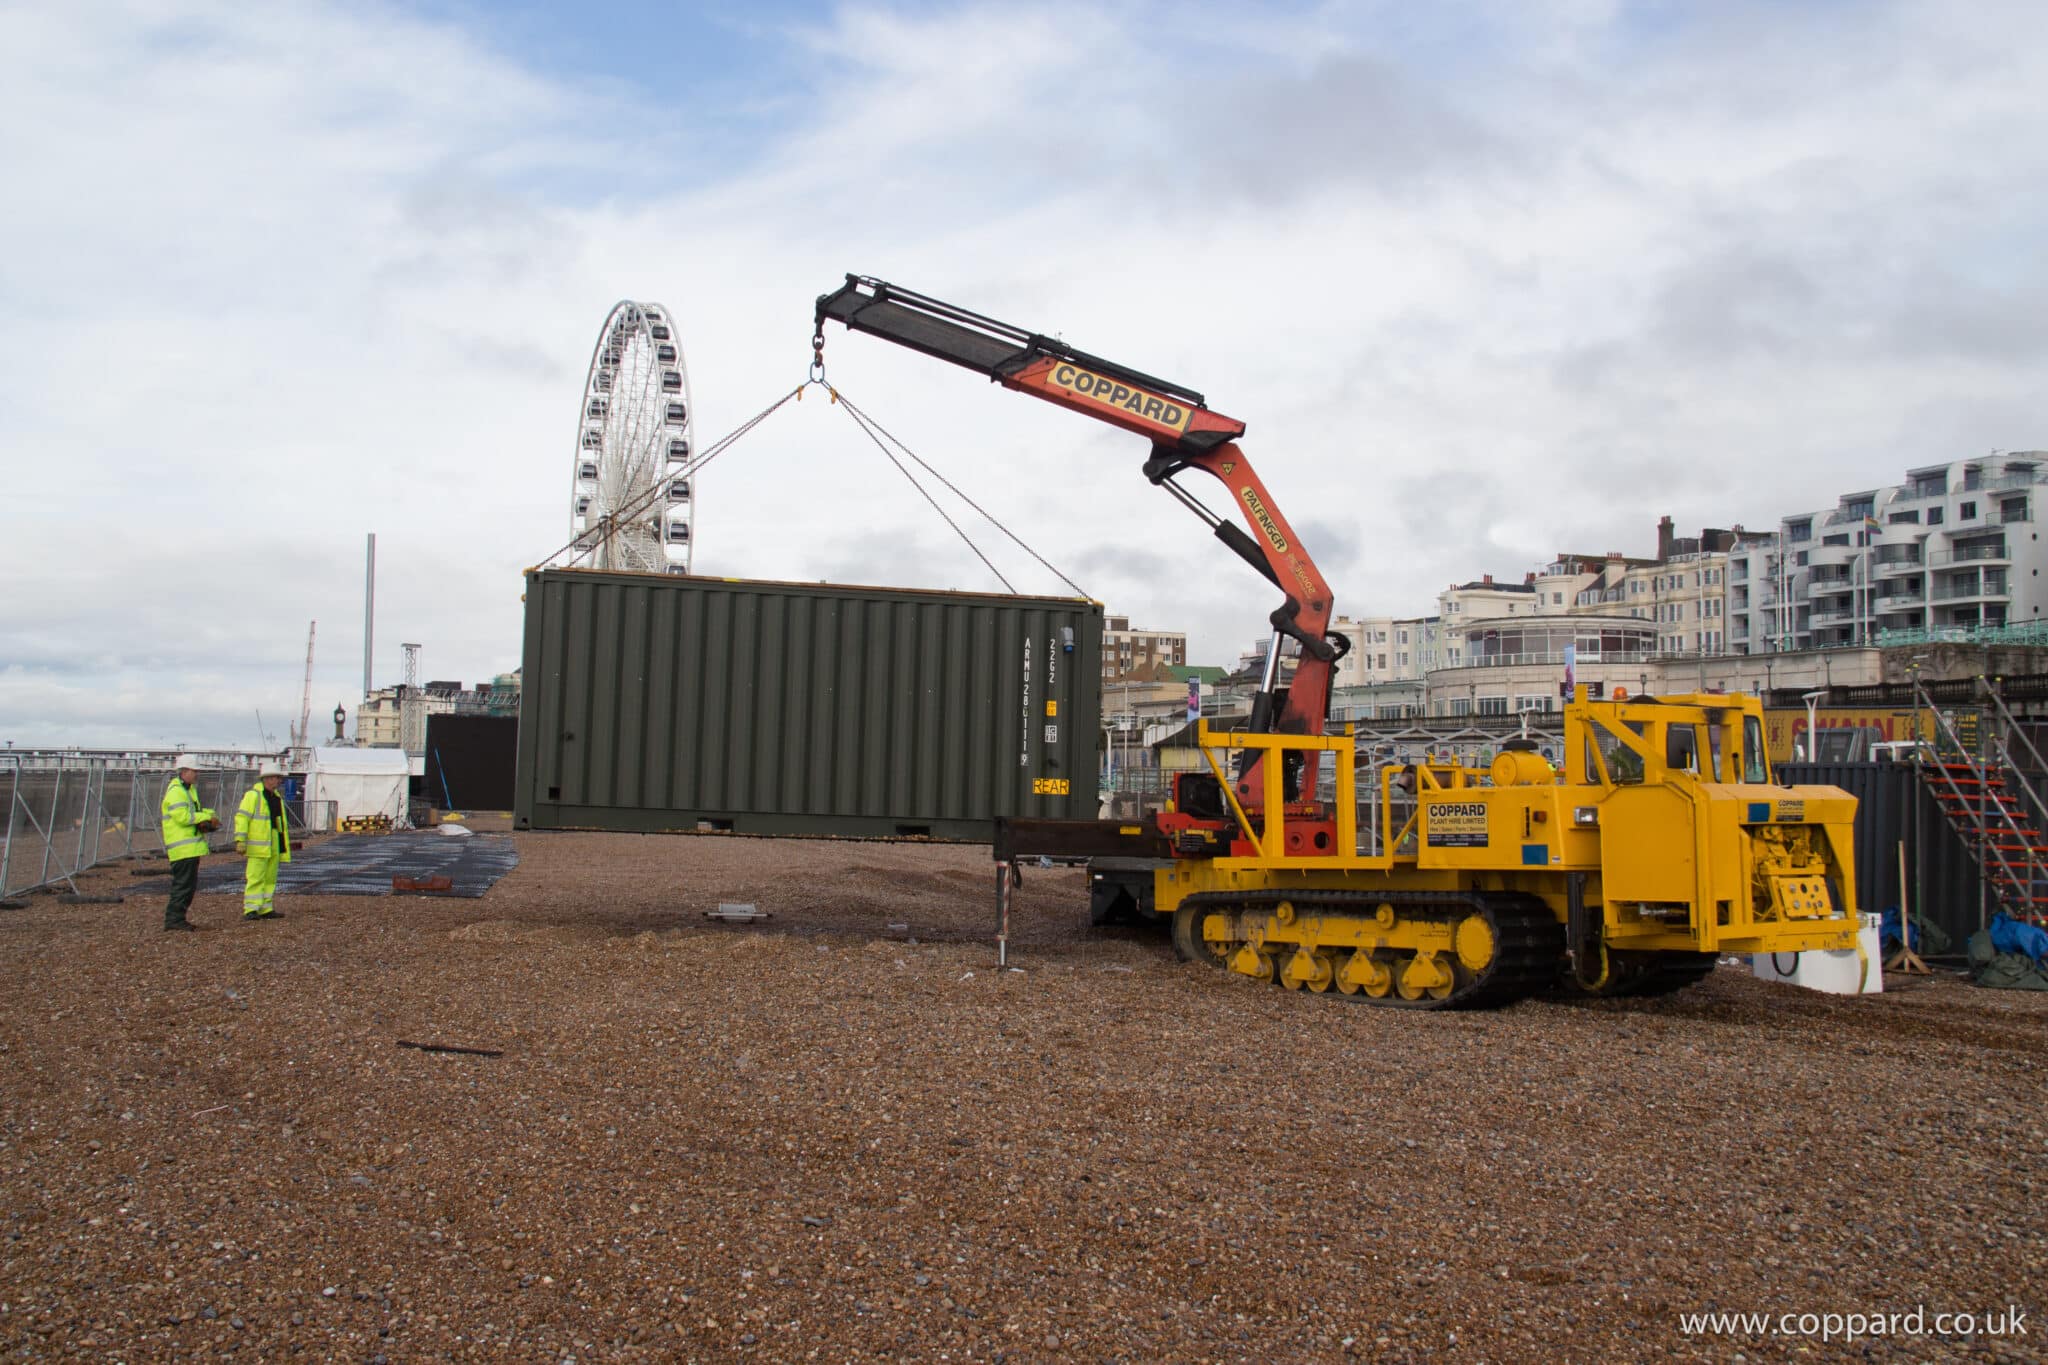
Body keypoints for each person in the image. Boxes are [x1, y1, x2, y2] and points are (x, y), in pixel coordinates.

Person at [159, 755, 219, 932]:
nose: (197, 774)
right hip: (182, 848)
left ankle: (176, 918)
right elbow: (183, 817)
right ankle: (174, 920)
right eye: (194, 771)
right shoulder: (177, 791)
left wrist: (208, 814)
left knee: (187, 885)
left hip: (188, 848)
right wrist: (206, 817)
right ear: (184, 771)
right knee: (183, 885)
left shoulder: (187, 790)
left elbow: (192, 811)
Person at [234, 760, 293, 921]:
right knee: (256, 877)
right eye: (276, 777)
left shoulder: (276, 797)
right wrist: (240, 839)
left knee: (270, 878)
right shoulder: (253, 795)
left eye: (279, 778)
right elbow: (242, 817)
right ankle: (251, 909)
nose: (279, 781)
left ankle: (266, 908)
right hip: (258, 845)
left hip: (272, 841)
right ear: (267, 778)